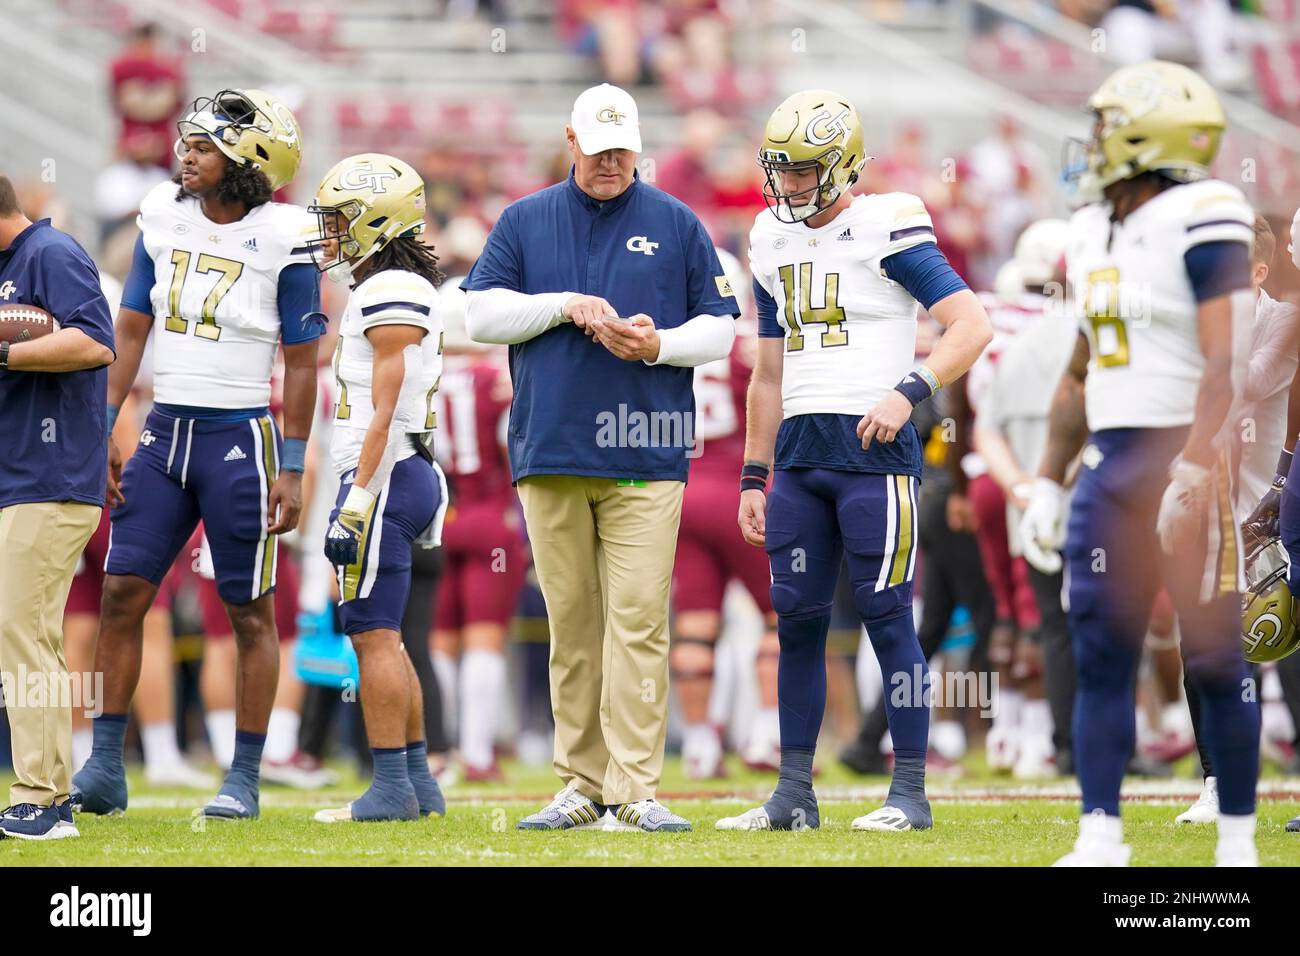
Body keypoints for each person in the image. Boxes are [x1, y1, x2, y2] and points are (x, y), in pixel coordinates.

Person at [464, 83, 738, 831]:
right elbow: (477, 312)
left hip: (646, 453)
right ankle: (582, 785)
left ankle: (637, 787)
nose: (612, 161)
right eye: (599, 146)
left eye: (623, 147)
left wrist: (658, 345)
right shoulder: (525, 219)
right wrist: (561, 304)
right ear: (572, 140)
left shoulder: (677, 222)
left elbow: (720, 328)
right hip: (550, 449)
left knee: (640, 621)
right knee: (572, 625)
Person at [718, 89, 992, 833]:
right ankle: (793, 796)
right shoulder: (770, 237)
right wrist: (753, 472)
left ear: (841, 166)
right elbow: (767, 373)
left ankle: (908, 792)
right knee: (796, 624)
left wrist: (911, 391)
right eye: (781, 170)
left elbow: (971, 324)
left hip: (876, 453)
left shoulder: (889, 222)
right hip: (801, 457)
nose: (788, 186)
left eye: (803, 171)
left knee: (888, 620)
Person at [1021, 60, 1260, 866]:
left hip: (1184, 455)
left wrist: (1195, 466)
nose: (1089, 142)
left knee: (1217, 655)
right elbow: (1080, 372)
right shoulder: (1089, 229)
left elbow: (1226, 363)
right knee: (1100, 651)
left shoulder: (1205, 212)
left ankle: (1235, 841)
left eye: (1102, 125)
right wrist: (1048, 487)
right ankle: (1099, 835)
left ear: (1138, 134)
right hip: (1110, 464)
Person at [71, 89, 323, 821]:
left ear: (248, 163)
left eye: (204, 146)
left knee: (248, 611)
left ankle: (242, 774)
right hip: (165, 431)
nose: (186, 154)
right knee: (123, 594)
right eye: (188, 141)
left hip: (241, 436)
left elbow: (303, 362)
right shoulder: (162, 212)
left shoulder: (285, 236)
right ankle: (106, 767)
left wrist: (296, 463)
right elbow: (131, 328)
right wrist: (102, 425)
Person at [310, 153, 448, 823]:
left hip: (384, 474)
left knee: (370, 634)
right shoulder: (394, 287)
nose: (330, 235)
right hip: (403, 471)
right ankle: (417, 782)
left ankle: (391, 785)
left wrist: (359, 498)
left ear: (373, 222)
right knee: (386, 635)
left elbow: (386, 408)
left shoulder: (383, 291)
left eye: (339, 222)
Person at [0, 173, 116, 839]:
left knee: (26, 637)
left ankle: (42, 798)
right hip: (21, 478)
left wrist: (9, 352)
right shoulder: (16, 262)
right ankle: (51, 792)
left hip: (49, 479)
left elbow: (96, 342)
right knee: (24, 638)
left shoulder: (52, 254)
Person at [429, 278, 524, 782]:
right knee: (485, 638)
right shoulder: (496, 378)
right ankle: (478, 753)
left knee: (440, 637)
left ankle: (438, 752)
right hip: (490, 518)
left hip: (442, 518)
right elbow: (515, 448)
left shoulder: (427, 375)